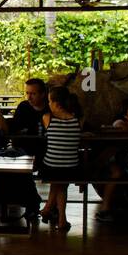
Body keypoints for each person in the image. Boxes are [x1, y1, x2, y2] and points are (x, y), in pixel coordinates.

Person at [40, 86, 83, 232]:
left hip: (51, 165)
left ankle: (50, 211)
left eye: (49, 102)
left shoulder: (47, 118)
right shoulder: (78, 120)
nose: (48, 105)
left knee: (57, 184)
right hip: (71, 166)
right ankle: (58, 217)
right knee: (60, 186)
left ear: (57, 104)